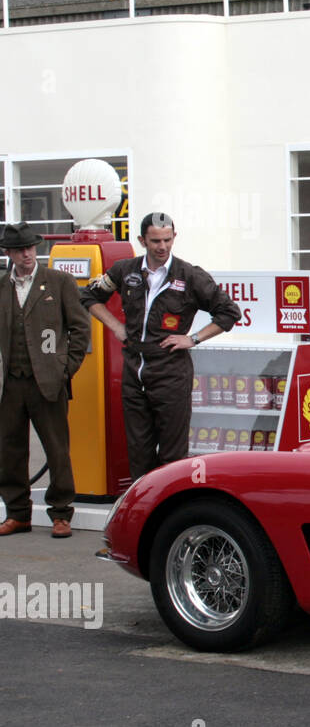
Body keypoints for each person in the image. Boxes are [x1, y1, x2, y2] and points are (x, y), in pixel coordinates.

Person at [81, 212, 240, 480]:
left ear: (174, 237)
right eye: (155, 241)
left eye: (167, 239)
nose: (162, 246)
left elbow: (229, 313)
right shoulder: (125, 270)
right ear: (142, 240)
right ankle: (143, 512)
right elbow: (88, 295)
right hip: (134, 369)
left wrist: (193, 338)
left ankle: (169, 513)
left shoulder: (189, 275)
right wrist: (116, 328)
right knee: (139, 451)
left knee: (173, 455)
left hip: (171, 371)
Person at [0, 222, 91, 538]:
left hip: (49, 380)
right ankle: (18, 514)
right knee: (9, 451)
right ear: (9, 253)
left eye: (30, 247)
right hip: (10, 383)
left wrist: (66, 369)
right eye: (20, 249)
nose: (26, 254)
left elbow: (81, 329)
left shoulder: (58, 281)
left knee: (57, 449)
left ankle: (61, 513)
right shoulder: (2, 287)